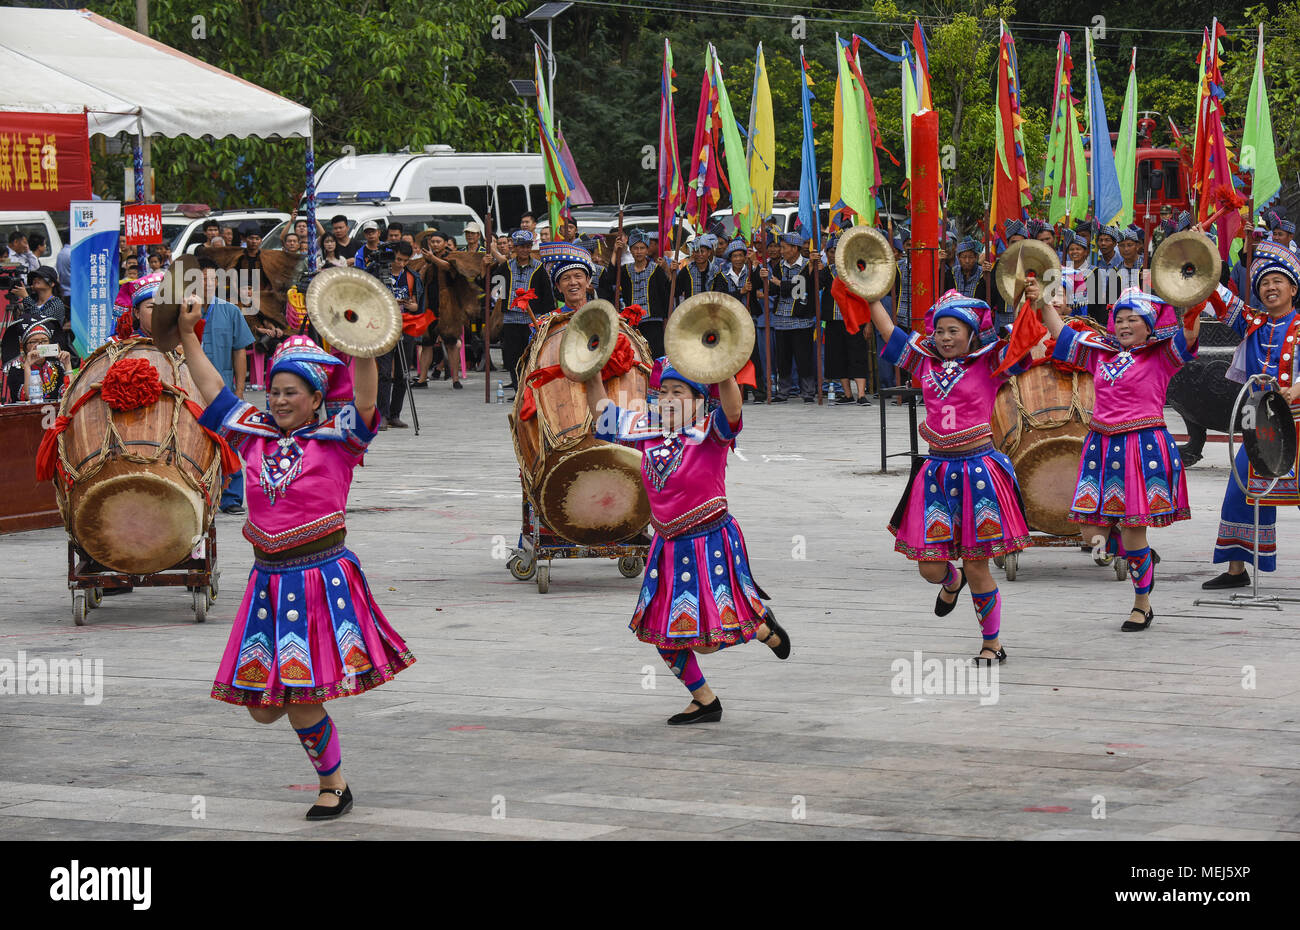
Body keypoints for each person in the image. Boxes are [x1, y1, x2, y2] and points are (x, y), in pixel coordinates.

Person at [179, 305, 416, 821]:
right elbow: (214, 390)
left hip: (319, 580)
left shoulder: (339, 440)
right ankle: (331, 773)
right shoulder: (252, 433)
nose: (280, 401)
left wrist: (364, 345)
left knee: (301, 696)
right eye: (275, 391)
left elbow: (367, 398)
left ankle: (333, 784)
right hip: (267, 582)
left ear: (314, 399)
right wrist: (184, 335)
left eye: (292, 393)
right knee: (263, 710)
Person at [582, 351, 790, 725]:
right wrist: (591, 368)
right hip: (667, 547)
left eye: (680, 391)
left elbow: (732, 408)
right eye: (663, 392)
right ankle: (705, 701)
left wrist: (723, 372)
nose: (668, 399)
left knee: (708, 642)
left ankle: (761, 626)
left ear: (699, 401)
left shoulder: (711, 432)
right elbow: (603, 415)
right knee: (662, 632)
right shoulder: (646, 432)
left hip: (710, 543)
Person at [868, 289, 1035, 664]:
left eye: (954, 331)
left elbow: (1024, 341)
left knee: (977, 564)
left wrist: (1029, 300)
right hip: (937, 474)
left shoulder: (990, 364)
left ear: (972, 334)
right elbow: (889, 333)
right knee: (929, 568)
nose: (945, 338)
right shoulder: (924, 363)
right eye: (940, 330)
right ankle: (950, 581)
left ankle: (991, 643)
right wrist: (870, 297)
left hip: (978, 473)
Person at [1039, 284, 1200, 630]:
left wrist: (1193, 294)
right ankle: (1141, 560)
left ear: (1149, 325)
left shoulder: (1161, 355)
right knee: (1090, 534)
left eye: (1133, 320)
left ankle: (1142, 603)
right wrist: (1041, 299)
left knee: (1131, 531)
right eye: (1120, 319)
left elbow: (1189, 331)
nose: (1124, 325)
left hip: (1141, 449)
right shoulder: (1100, 354)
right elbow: (1061, 334)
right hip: (1101, 447)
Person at [1201, 241, 1300, 589]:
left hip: (1299, 422)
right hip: (1260, 424)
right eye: (1263, 283)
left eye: (1277, 281)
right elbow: (1214, 293)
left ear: (1293, 288)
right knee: (1240, 491)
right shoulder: (1252, 322)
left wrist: (1298, 387)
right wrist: (1201, 249)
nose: (1270, 288)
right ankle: (1236, 571)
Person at [196, 256, 256, 513]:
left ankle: (231, 497)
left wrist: (240, 388)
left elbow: (239, 351)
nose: (207, 284)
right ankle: (198, 494)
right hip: (190, 389)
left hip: (223, 390)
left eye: (211, 279)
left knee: (229, 442)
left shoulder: (230, 311)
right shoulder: (182, 311)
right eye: (201, 279)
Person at [489, 229, 551, 397]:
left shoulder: (539, 268)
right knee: (512, 356)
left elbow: (547, 294)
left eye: (527, 246)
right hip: (511, 319)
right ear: (514, 248)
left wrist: (545, 317)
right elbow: (494, 287)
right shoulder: (506, 267)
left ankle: (532, 392)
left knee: (532, 355)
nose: (524, 250)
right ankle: (518, 391)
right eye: (521, 247)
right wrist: (505, 298)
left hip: (532, 319)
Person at [758, 233, 818, 402]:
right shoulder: (780, 266)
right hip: (781, 320)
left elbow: (799, 290)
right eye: (780, 247)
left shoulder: (808, 265)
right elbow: (776, 292)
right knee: (782, 359)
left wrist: (779, 283)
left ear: (794, 248)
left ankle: (808, 392)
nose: (781, 250)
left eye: (784, 247)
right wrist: (767, 282)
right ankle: (783, 392)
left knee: (804, 358)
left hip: (802, 320)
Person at [375, 240, 422, 426]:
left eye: (404, 260)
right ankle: (382, 414)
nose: (400, 263)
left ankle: (395, 414)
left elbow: (418, 303)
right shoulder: (379, 273)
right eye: (398, 259)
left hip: (406, 326)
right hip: (384, 326)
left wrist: (413, 306)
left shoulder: (412, 276)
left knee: (403, 373)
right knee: (384, 372)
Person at [821, 235, 872, 405]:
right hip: (834, 320)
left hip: (855, 320)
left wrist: (868, 322)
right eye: (834, 251)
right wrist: (815, 267)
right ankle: (848, 394)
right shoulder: (827, 270)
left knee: (858, 355)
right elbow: (815, 283)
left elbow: (867, 296)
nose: (837, 254)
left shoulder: (858, 270)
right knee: (837, 356)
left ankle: (861, 394)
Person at [4, 319, 69, 404]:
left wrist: (67, 364)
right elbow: (28, 396)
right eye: (34, 341)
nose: (39, 345)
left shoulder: (57, 368)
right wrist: (27, 366)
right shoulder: (16, 369)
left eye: (44, 341)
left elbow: (69, 394)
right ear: (24, 346)